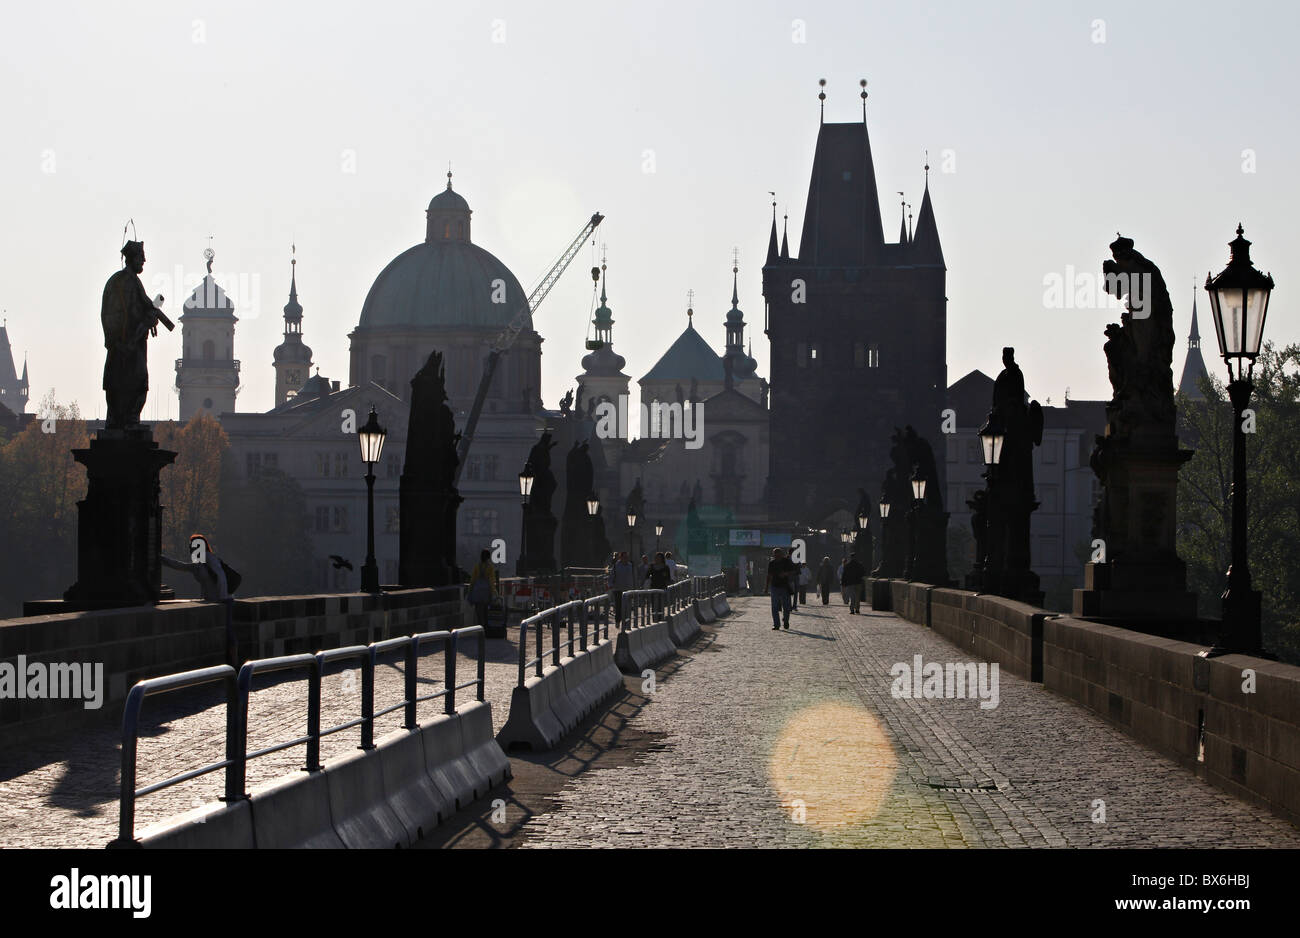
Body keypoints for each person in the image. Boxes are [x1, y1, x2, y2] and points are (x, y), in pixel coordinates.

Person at [162, 534, 240, 665]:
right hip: (212, 600)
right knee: (220, 631)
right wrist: (161, 559)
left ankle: (235, 663)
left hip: (224, 600)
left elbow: (221, 576)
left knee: (228, 631)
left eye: (193, 545)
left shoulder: (209, 558)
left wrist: (221, 599)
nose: (191, 548)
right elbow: (181, 566)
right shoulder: (198, 563)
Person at [764, 547, 796, 631]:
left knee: (786, 606)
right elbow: (769, 576)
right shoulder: (772, 563)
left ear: (781, 554)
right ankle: (776, 624)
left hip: (785, 586)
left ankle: (786, 620)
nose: (776, 556)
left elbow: (794, 571)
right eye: (775, 554)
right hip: (774, 587)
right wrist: (766, 587)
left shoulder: (787, 562)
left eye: (778, 554)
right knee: (774, 607)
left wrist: (786, 574)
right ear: (773, 555)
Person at [467, 548, 498, 629]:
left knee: (479, 612)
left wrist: (470, 591)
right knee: (486, 612)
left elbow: (472, 580)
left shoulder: (477, 566)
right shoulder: (490, 567)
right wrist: (494, 592)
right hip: (486, 593)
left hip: (477, 592)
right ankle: (484, 628)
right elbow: (491, 581)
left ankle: (479, 627)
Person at [609, 550, 636, 626]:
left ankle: (627, 621)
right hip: (618, 589)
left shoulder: (631, 566)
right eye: (624, 557)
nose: (625, 558)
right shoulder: (616, 566)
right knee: (618, 606)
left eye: (627, 557)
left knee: (628, 607)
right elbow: (612, 576)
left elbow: (634, 577)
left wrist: (634, 589)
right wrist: (611, 584)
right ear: (620, 558)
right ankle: (618, 621)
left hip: (628, 589)